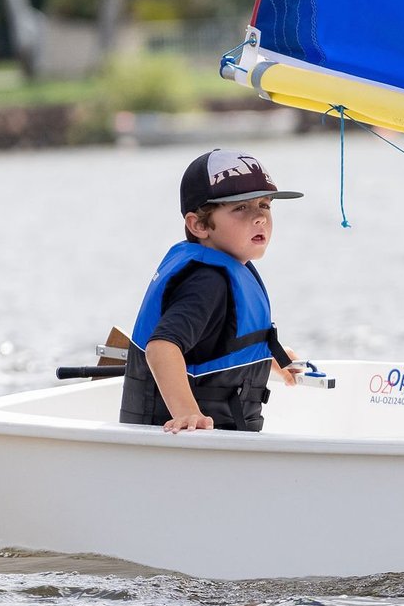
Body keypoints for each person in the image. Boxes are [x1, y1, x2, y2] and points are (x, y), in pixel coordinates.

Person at [119, 148, 304, 433]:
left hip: (226, 440)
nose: (259, 218)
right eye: (240, 207)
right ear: (199, 225)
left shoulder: (227, 269)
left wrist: (270, 359)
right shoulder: (206, 282)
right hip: (189, 445)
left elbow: (214, 349)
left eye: (265, 205)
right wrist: (187, 413)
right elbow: (161, 347)